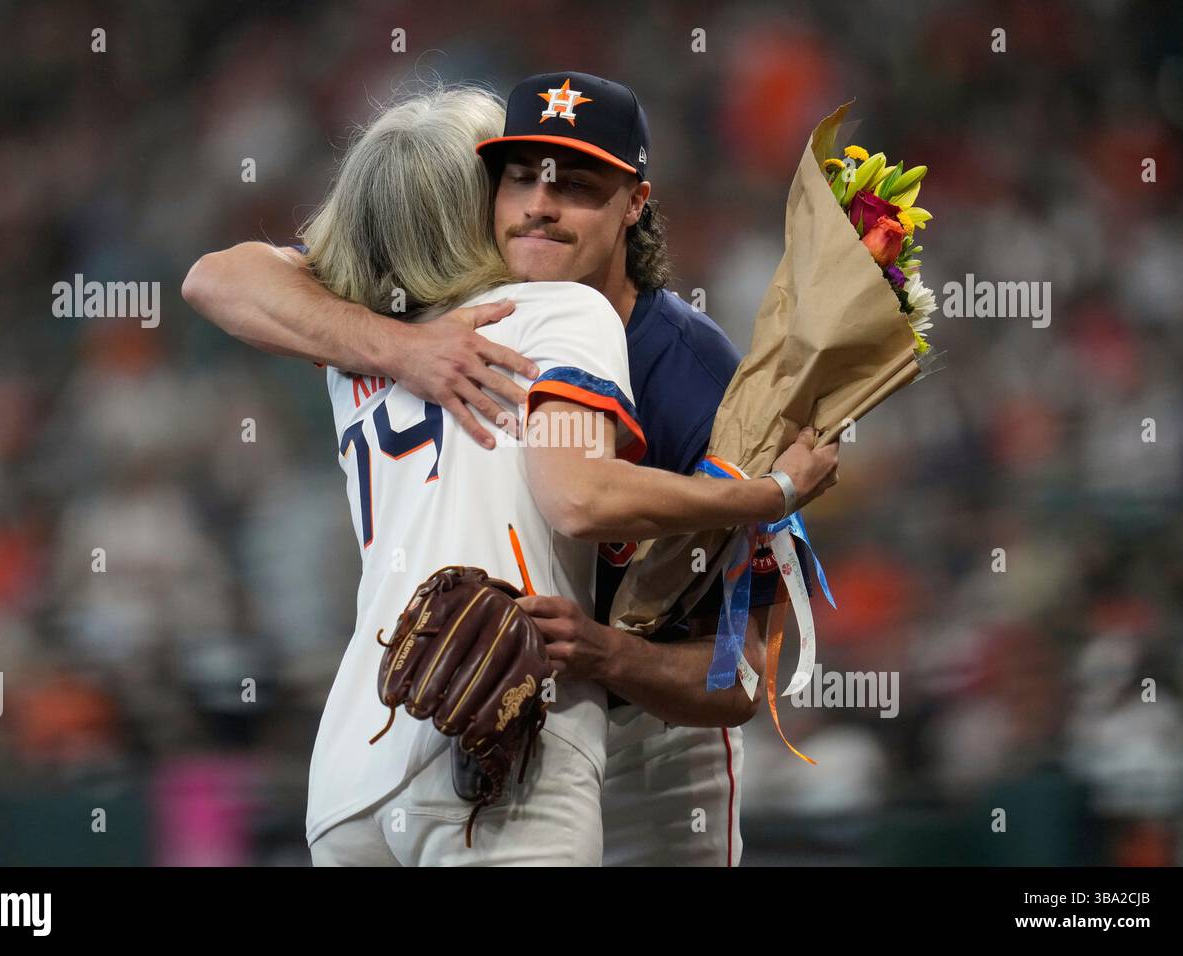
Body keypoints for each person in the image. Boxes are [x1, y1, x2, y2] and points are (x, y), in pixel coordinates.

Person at [183, 77, 839, 866]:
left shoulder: (698, 379)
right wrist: (402, 349)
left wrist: (606, 655)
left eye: (581, 187)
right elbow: (216, 277)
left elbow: (739, 678)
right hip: (484, 727)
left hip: (648, 741)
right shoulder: (419, 319)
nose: (541, 206)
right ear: (478, 195)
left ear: (636, 203)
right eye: (520, 176)